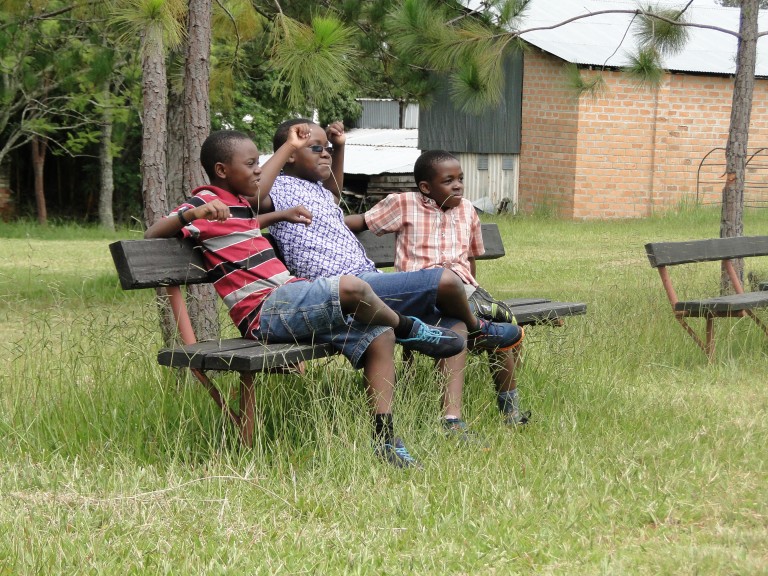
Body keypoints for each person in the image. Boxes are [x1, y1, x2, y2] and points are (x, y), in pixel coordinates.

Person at [144, 127, 466, 469]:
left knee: (379, 334)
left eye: (258, 163)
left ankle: (385, 440)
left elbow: (250, 219)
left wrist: (280, 213)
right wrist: (189, 215)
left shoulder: (239, 204)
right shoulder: (204, 202)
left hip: (289, 298)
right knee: (352, 288)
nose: (258, 170)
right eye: (251, 164)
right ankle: (410, 329)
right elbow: (152, 234)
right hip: (264, 311)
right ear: (222, 170)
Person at [262, 119, 525, 439]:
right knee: (445, 281)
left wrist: (340, 147)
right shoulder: (277, 189)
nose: (325, 154)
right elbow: (254, 196)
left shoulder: (318, 190)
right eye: (316, 148)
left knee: (453, 323)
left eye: (326, 149)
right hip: (337, 289)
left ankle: (451, 420)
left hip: (367, 282)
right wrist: (289, 145)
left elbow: (334, 189)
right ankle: (479, 329)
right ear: (290, 154)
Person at [349, 149, 531, 426]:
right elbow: (362, 221)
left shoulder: (467, 209)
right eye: (448, 180)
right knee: (472, 325)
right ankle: (477, 334)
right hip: (420, 291)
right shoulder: (404, 204)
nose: (458, 185)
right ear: (426, 187)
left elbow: (470, 259)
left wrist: (472, 288)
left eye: (460, 179)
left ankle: (510, 410)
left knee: (505, 328)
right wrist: (323, 223)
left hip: (463, 292)